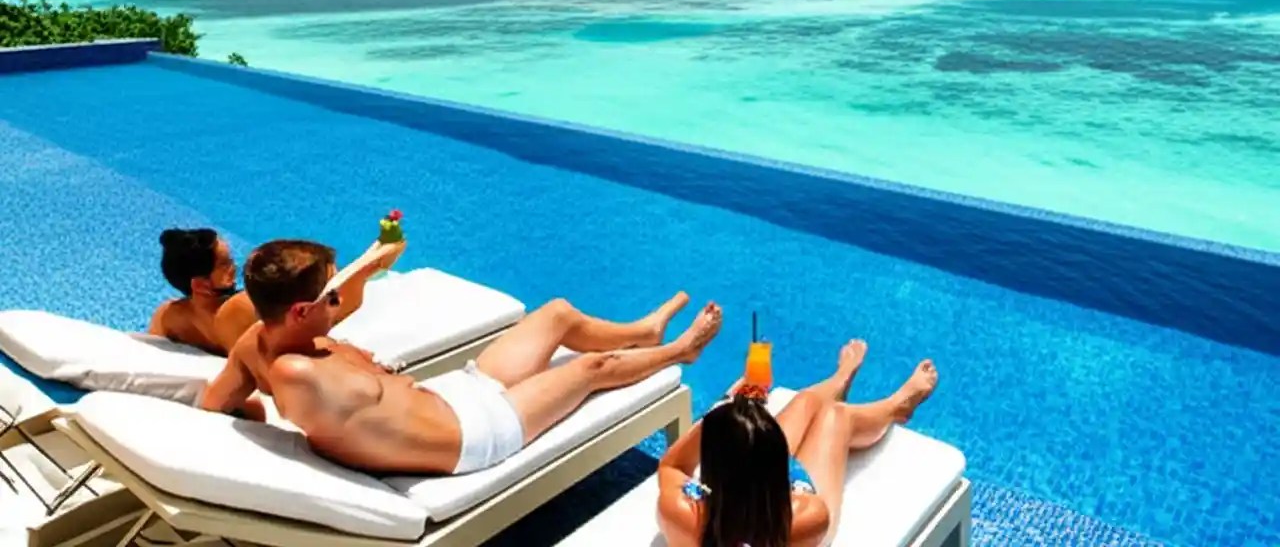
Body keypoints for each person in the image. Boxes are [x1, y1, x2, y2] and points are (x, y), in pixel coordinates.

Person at [200, 239, 723, 475]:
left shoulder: (276, 343)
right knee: (590, 369)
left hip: (456, 392)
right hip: (473, 437)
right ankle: (682, 351)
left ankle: (643, 331)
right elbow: (218, 410)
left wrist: (370, 264)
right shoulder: (292, 371)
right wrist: (259, 419)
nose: (340, 303)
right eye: (330, 296)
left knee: (557, 314)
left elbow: (216, 399)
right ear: (299, 311)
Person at [656, 341, 938, 547]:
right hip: (792, 497)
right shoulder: (804, 518)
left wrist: (725, 412)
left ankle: (840, 379)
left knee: (806, 400)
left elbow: (671, 465)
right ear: (779, 457)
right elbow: (799, 501)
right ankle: (896, 407)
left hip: (754, 490)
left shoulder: (681, 514)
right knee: (837, 417)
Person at [149, 228, 405, 356]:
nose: (234, 266)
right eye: (225, 264)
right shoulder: (241, 308)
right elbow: (332, 308)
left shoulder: (167, 316)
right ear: (200, 284)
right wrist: (371, 265)